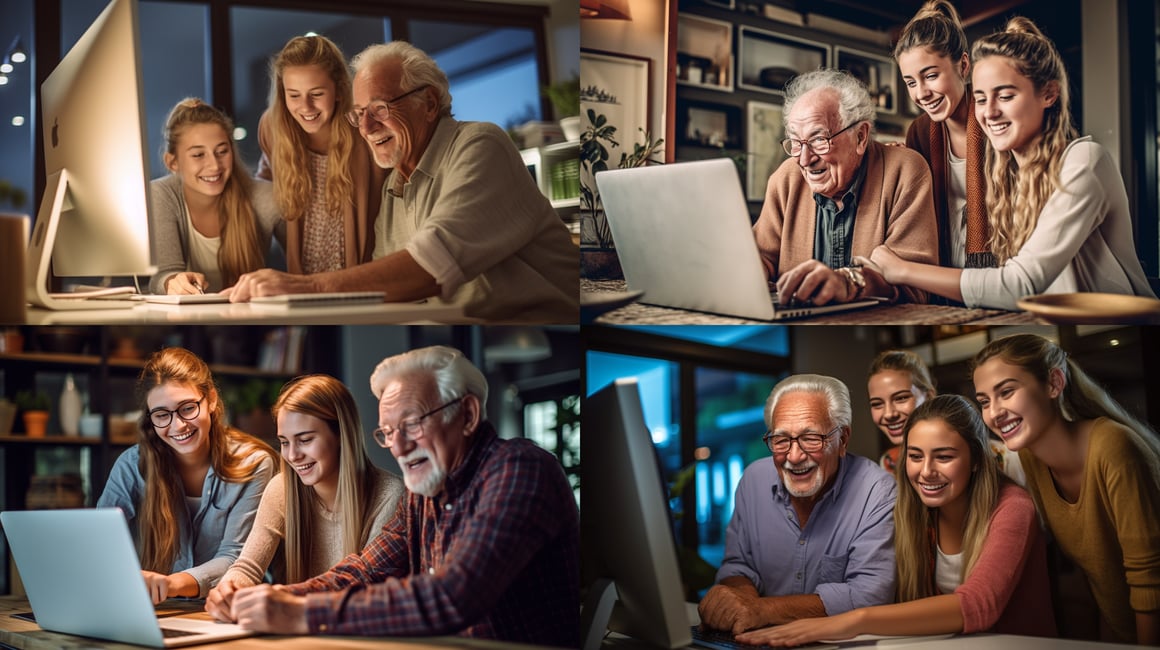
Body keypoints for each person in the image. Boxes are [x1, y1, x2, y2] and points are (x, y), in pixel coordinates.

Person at [224, 346, 579, 646]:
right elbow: (364, 570)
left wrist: (300, 613)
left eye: (411, 425)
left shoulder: (519, 468)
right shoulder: (424, 493)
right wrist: (278, 597)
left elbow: (452, 596)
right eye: (389, 432)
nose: (399, 446)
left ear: (468, 415)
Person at [225, 42, 578, 323]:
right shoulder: (395, 185)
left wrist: (306, 288)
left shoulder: (480, 144)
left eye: (379, 109)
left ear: (428, 103)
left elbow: (432, 266)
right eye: (359, 114)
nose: (365, 129)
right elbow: (389, 289)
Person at [868, 18, 1156, 309]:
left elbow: (1021, 284)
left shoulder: (1084, 162)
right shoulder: (1004, 176)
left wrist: (902, 270)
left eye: (1005, 96)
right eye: (980, 99)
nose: (990, 113)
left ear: (1049, 94)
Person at [736, 395, 1056, 647]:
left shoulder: (1014, 507)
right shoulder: (913, 511)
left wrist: (851, 620)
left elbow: (978, 606)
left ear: (975, 460)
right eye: (915, 456)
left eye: (944, 456)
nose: (926, 471)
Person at [972, 333, 1160, 644]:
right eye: (984, 402)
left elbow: (1151, 580)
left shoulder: (1113, 445)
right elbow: (1101, 576)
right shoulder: (1030, 458)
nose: (994, 413)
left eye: (1006, 392)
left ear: (1054, 383)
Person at [697, 374, 897, 636]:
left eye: (811, 437)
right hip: (759, 638)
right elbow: (737, 566)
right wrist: (742, 600)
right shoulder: (752, 481)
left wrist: (762, 610)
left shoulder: (877, 491)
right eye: (781, 440)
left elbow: (870, 594)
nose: (794, 456)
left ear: (843, 440)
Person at [205, 374, 405, 620]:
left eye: (305, 440)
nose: (292, 455)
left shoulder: (389, 495)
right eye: (284, 442)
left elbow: (368, 589)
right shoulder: (282, 489)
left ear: (341, 434)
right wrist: (229, 591)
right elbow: (248, 566)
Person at [97, 347, 278, 604]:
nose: (178, 425)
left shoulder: (254, 463)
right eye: (162, 415)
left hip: (232, 609)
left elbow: (237, 556)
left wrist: (171, 584)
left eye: (187, 408)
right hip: (158, 611)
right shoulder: (131, 465)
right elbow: (100, 542)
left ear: (211, 400)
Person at [751, 68, 938, 306]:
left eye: (819, 140)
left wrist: (849, 283)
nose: (804, 159)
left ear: (860, 137)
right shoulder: (785, 179)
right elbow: (762, 256)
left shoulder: (904, 171)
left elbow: (916, 285)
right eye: (796, 142)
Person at [256, 35, 387, 274]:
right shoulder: (271, 128)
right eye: (293, 95)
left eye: (316, 94)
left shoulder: (364, 128)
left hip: (362, 281)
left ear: (338, 90)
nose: (305, 107)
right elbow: (263, 191)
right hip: (302, 285)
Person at [895, 0, 994, 271]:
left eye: (931, 75)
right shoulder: (919, 132)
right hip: (945, 269)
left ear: (963, 66)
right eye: (911, 82)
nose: (921, 93)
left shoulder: (996, 119)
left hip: (1002, 268)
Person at [149, 98, 285, 295]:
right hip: (184, 321)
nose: (214, 165)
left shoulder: (263, 198)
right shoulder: (162, 196)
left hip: (248, 319)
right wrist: (172, 282)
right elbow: (163, 275)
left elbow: (302, 271)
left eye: (222, 151)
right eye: (198, 155)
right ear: (173, 162)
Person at [867, 349, 936, 473]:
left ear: (928, 397)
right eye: (877, 404)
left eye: (901, 398)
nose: (889, 414)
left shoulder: (960, 451)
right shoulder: (889, 462)